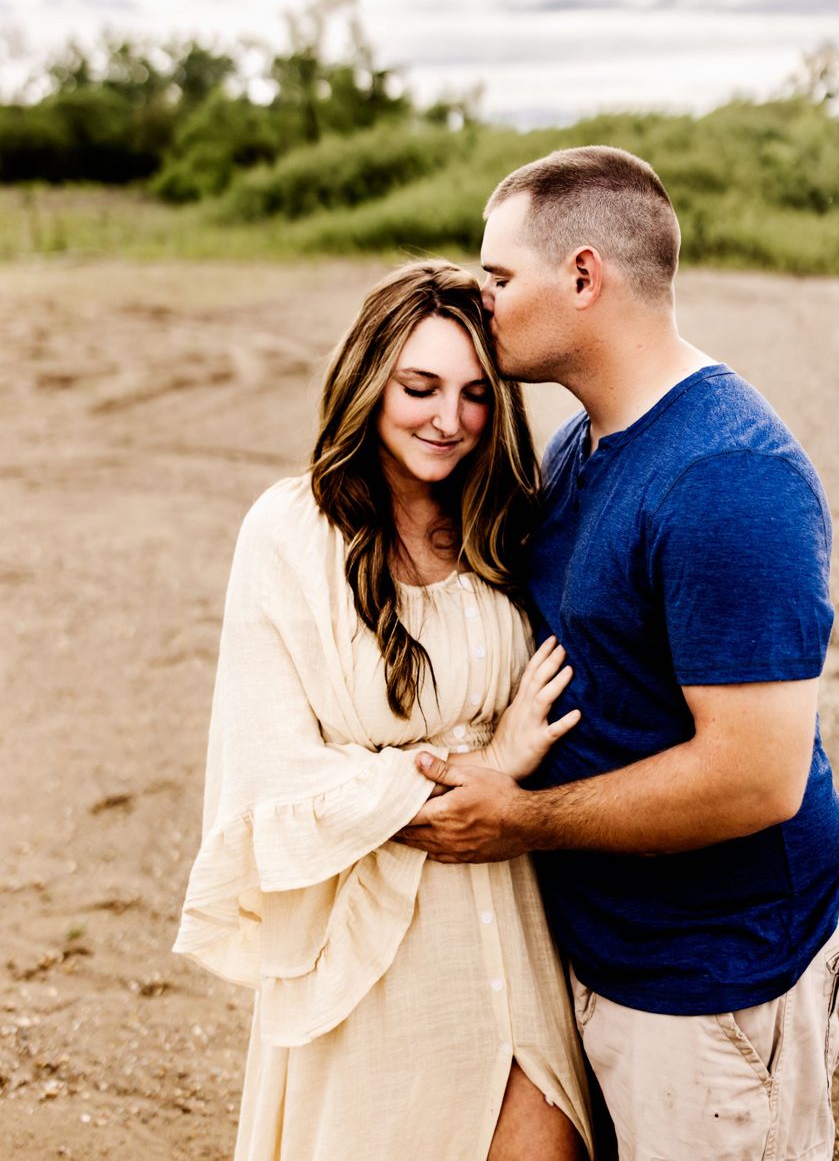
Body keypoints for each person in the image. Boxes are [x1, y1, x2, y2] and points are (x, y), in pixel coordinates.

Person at [399, 147, 839, 1161]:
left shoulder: (728, 475)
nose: (481, 300)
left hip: (711, 982)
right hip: (610, 952)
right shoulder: (587, 439)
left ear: (582, 276)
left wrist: (519, 819)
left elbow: (754, 776)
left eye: (498, 277)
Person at [173, 261, 593, 1160]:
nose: (449, 419)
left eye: (477, 394)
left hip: (515, 924)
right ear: (369, 380)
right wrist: (487, 768)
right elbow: (270, 770)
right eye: (420, 386)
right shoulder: (290, 532)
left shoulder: (506, 523)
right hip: (370, 951)